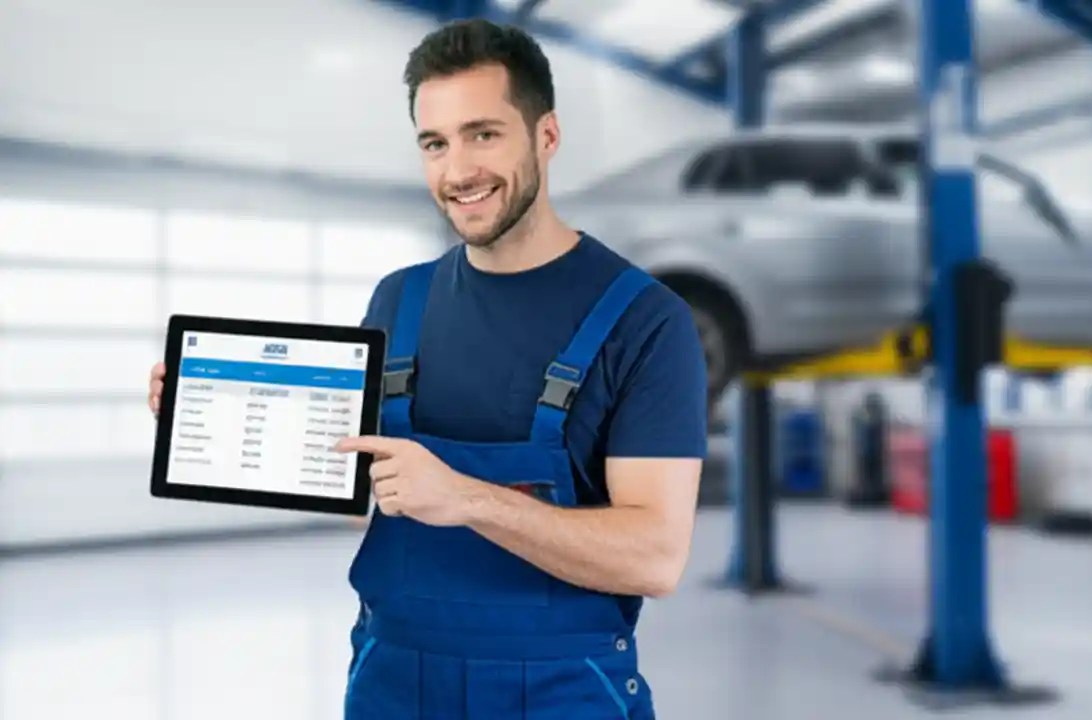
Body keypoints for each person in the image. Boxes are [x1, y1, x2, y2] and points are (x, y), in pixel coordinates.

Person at [147, 17, 707, 720]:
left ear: (547, 136)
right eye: (434, 144)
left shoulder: (645, 321)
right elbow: (362, 499)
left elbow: (654, 557)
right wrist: (216, 416)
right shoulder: (397, 300)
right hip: (394, 685)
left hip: (561, 693)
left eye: (484, 134)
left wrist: (469, 499)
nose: (458, 170)